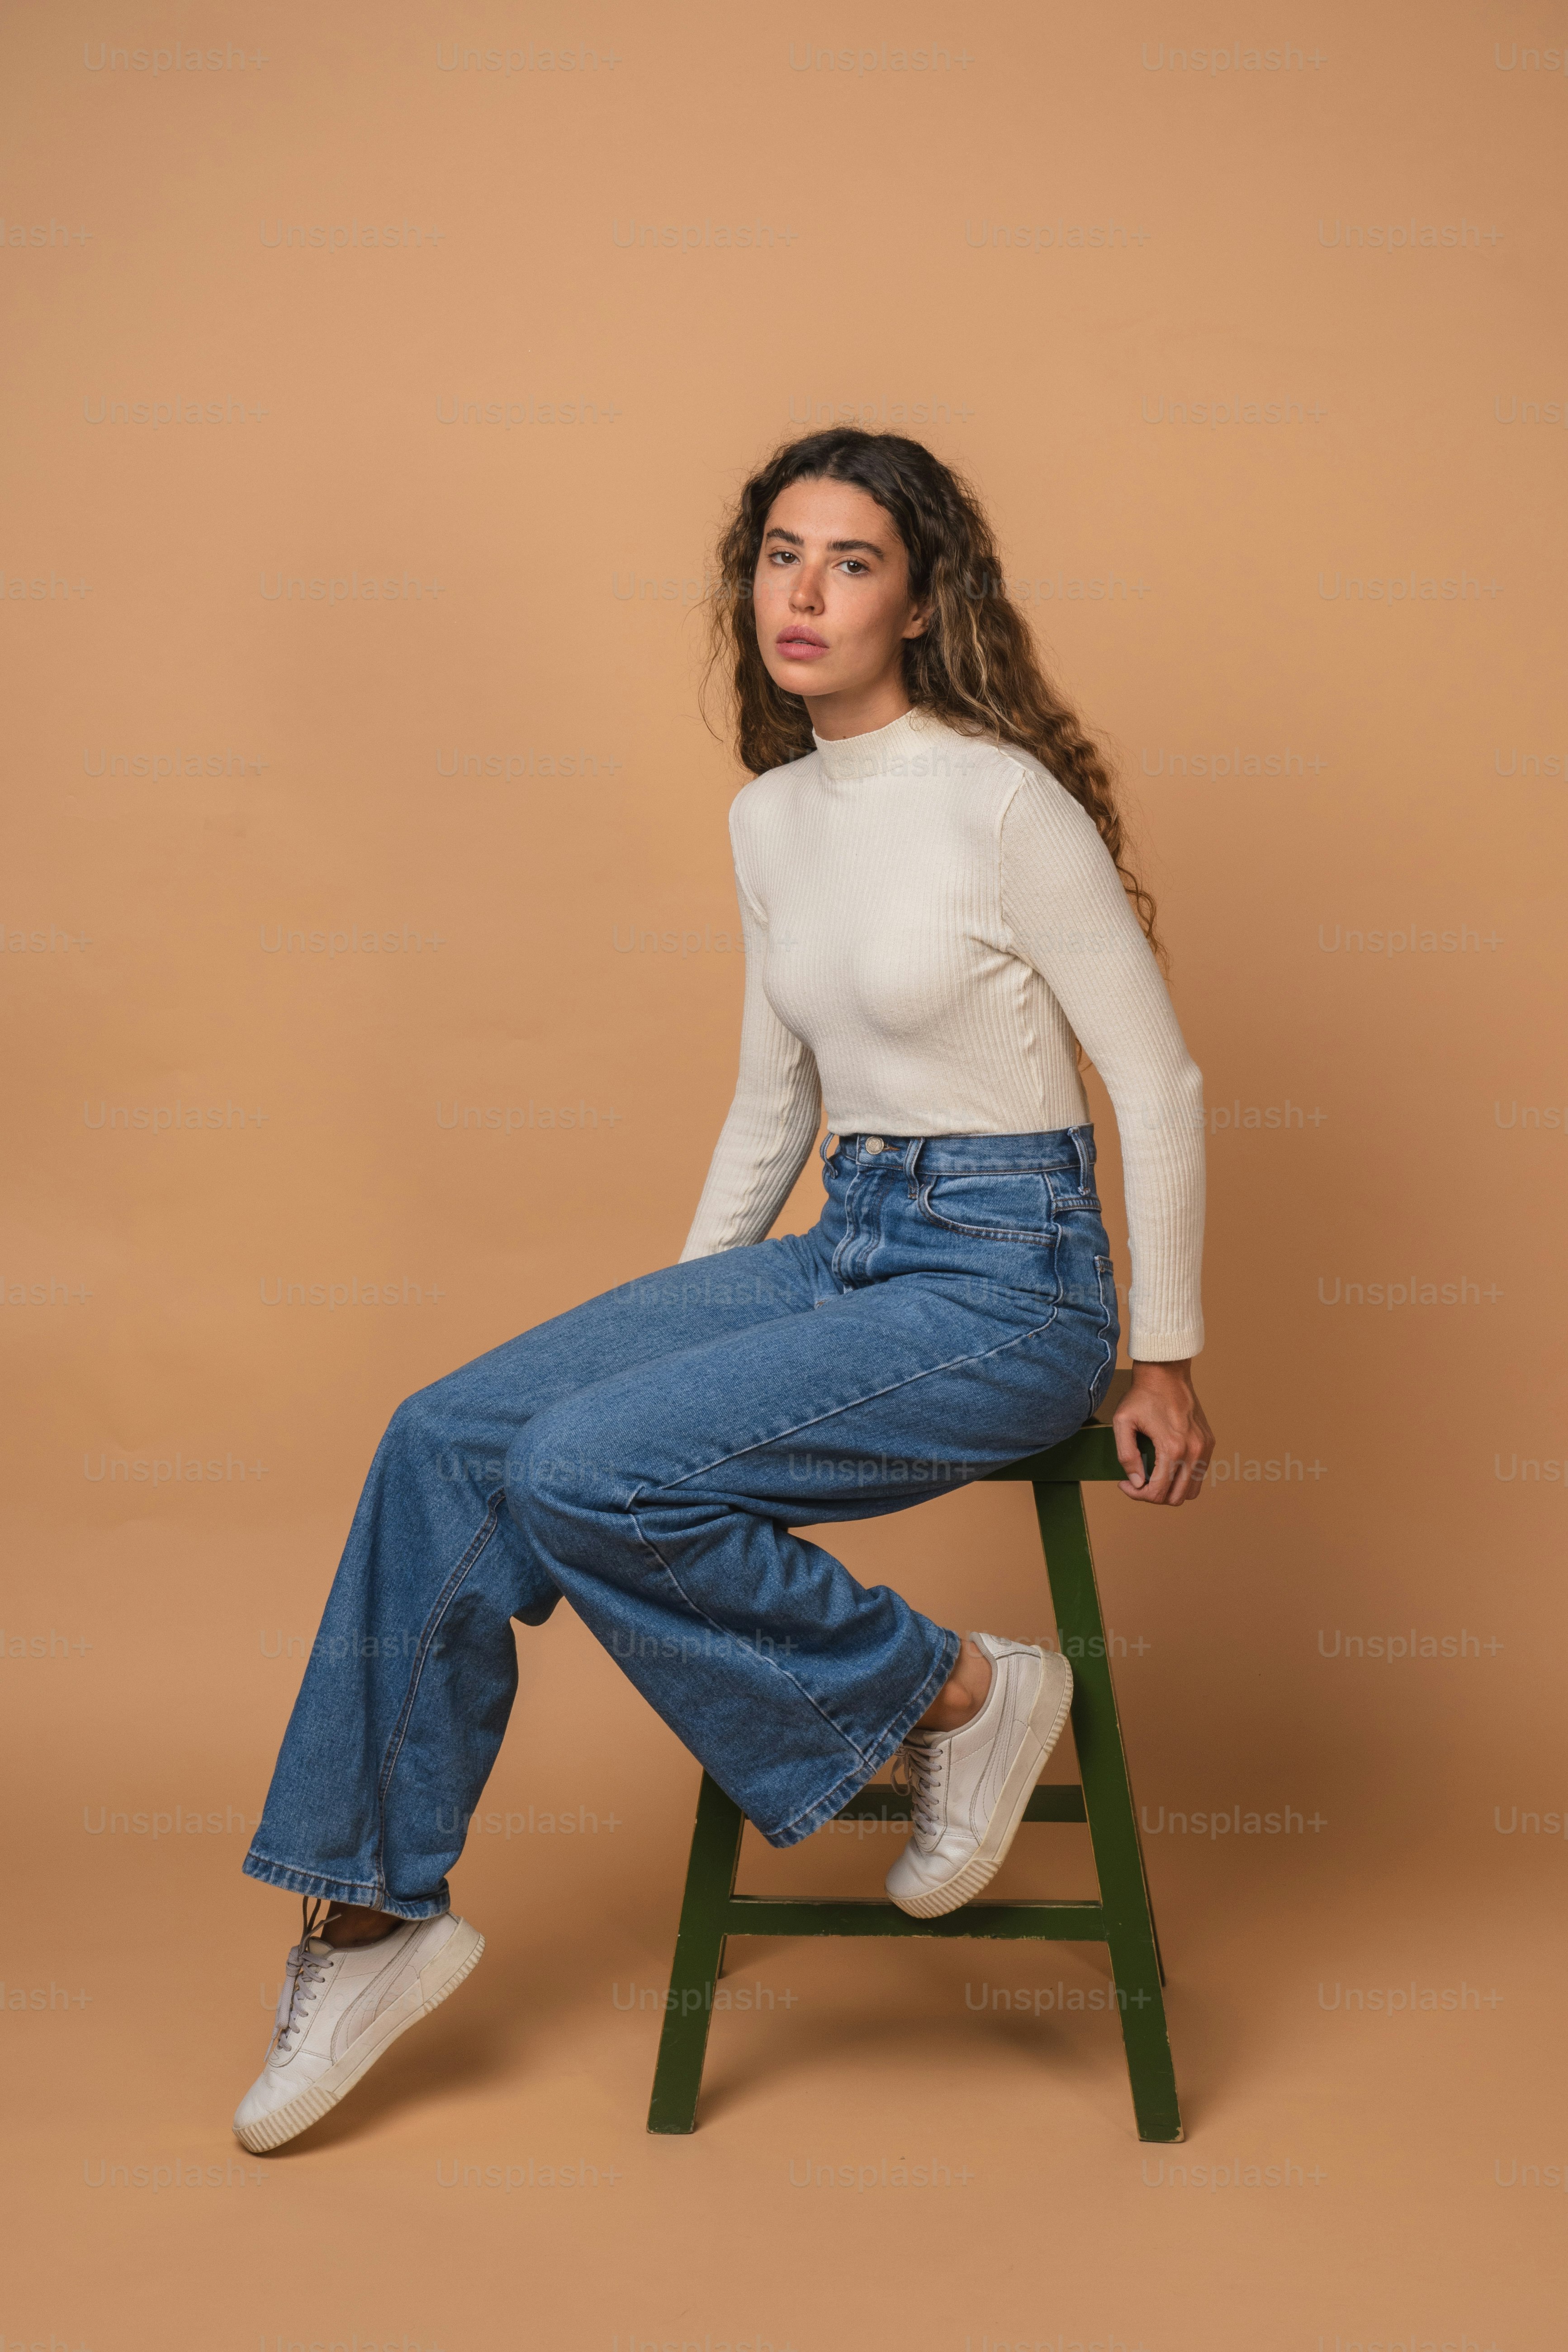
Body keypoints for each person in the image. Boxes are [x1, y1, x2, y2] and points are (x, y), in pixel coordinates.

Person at [232, 427, 1214, 2153]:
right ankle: (374, 1919)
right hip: (843, 1243)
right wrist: (682, 1335)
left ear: (919, 604)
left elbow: (1160, 1080)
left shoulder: (997, 796)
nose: (803, 591)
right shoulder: (770, 817)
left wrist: (1167, 1351)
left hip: (1012, 1275)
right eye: (778, 554)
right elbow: (775, 1099)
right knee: (455, 1432)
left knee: (586, 1469)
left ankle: (962, 1693)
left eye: (849, 561)